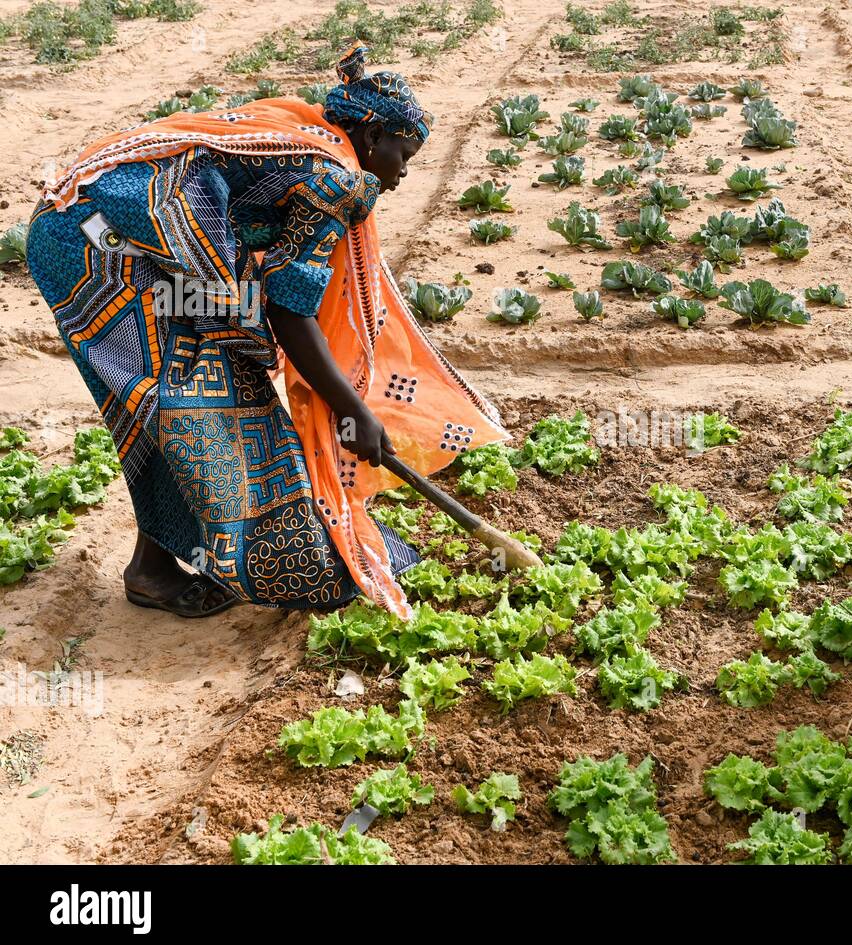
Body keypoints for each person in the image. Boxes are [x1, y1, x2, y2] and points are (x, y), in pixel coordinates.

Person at [27, 43, 505, 620]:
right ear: (373, 137)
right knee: (190, 400)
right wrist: (350, 407)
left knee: (181, 397)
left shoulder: (314, 136)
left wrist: (344, 403)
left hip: (102, 233)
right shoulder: (334, 177)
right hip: (96, 250)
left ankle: (157, 562)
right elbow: (288, 310)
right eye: (403, 154)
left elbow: (273, 279)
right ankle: (170, 565)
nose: (402, 173)